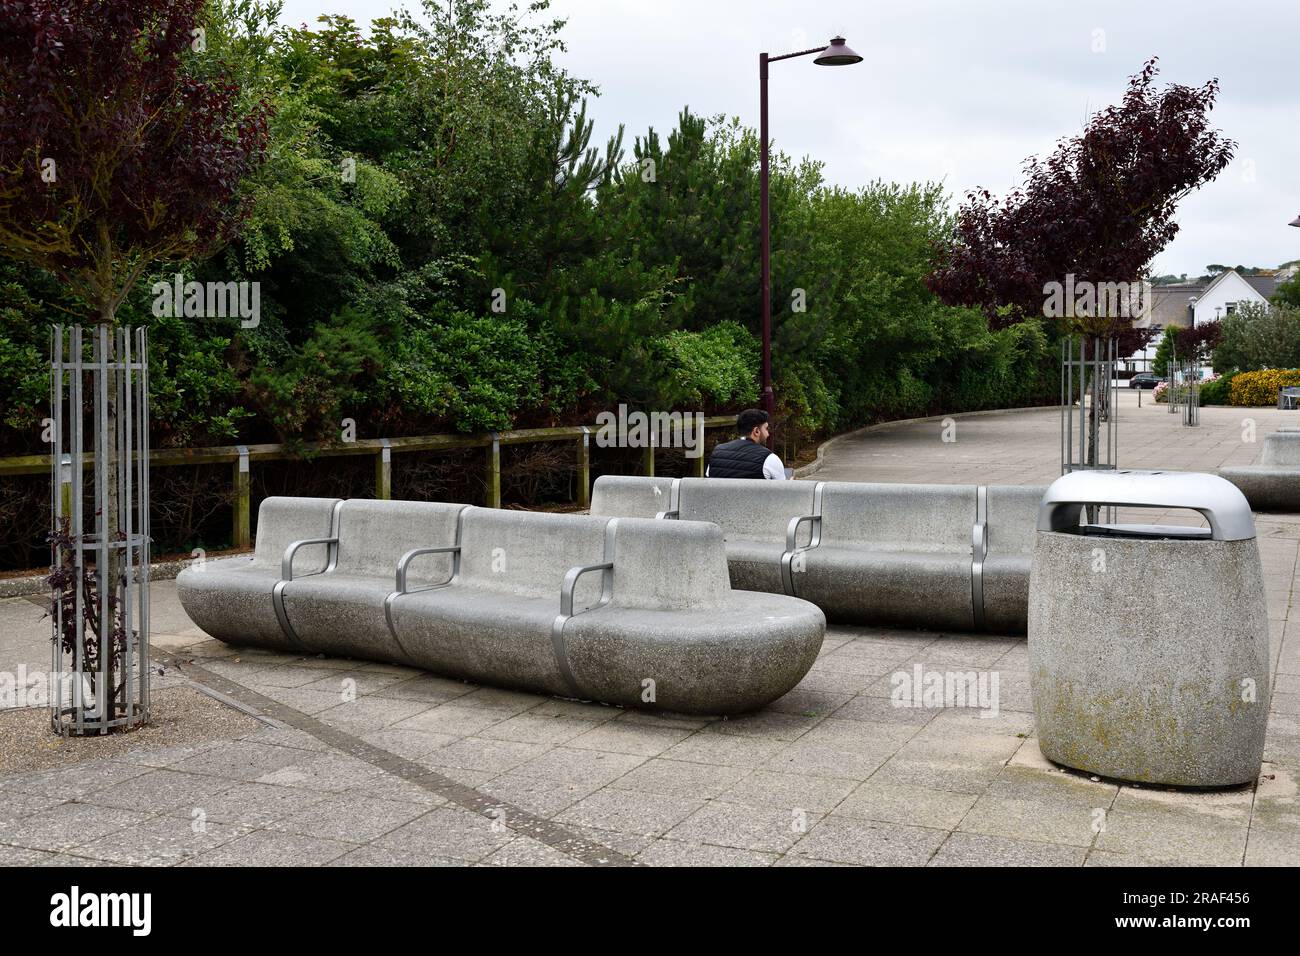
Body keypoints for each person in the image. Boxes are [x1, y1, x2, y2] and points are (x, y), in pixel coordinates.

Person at [705, 409, 787, 479]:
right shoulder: (769, 459)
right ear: (756, 431)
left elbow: (709, 480)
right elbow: (782, 492)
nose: (768, 434)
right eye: (766, 429)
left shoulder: (717, 453)